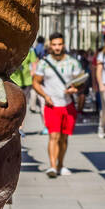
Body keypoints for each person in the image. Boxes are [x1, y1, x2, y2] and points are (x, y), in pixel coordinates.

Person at [31, 32, 83, 177]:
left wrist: (76, 89)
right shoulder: (44, 63)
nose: (57, 47)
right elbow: (35, 82)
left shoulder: (73, 62)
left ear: (63, 45)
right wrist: (45, 95)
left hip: (68, 105)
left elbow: (81, 81)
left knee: (64, 138)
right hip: (52, 105)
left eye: (59, 44)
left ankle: (61, 165)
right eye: (54, 45)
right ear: (50, 46)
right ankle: (53, 166)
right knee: (54, 136)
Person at [10, 45, 37, 118]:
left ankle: (21, 123)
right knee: (14, 103)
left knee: (23, 103)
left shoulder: (30, 51)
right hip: (13, 79)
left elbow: (34, 63)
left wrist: (32, 73)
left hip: (26, 81)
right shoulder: (11, 49)